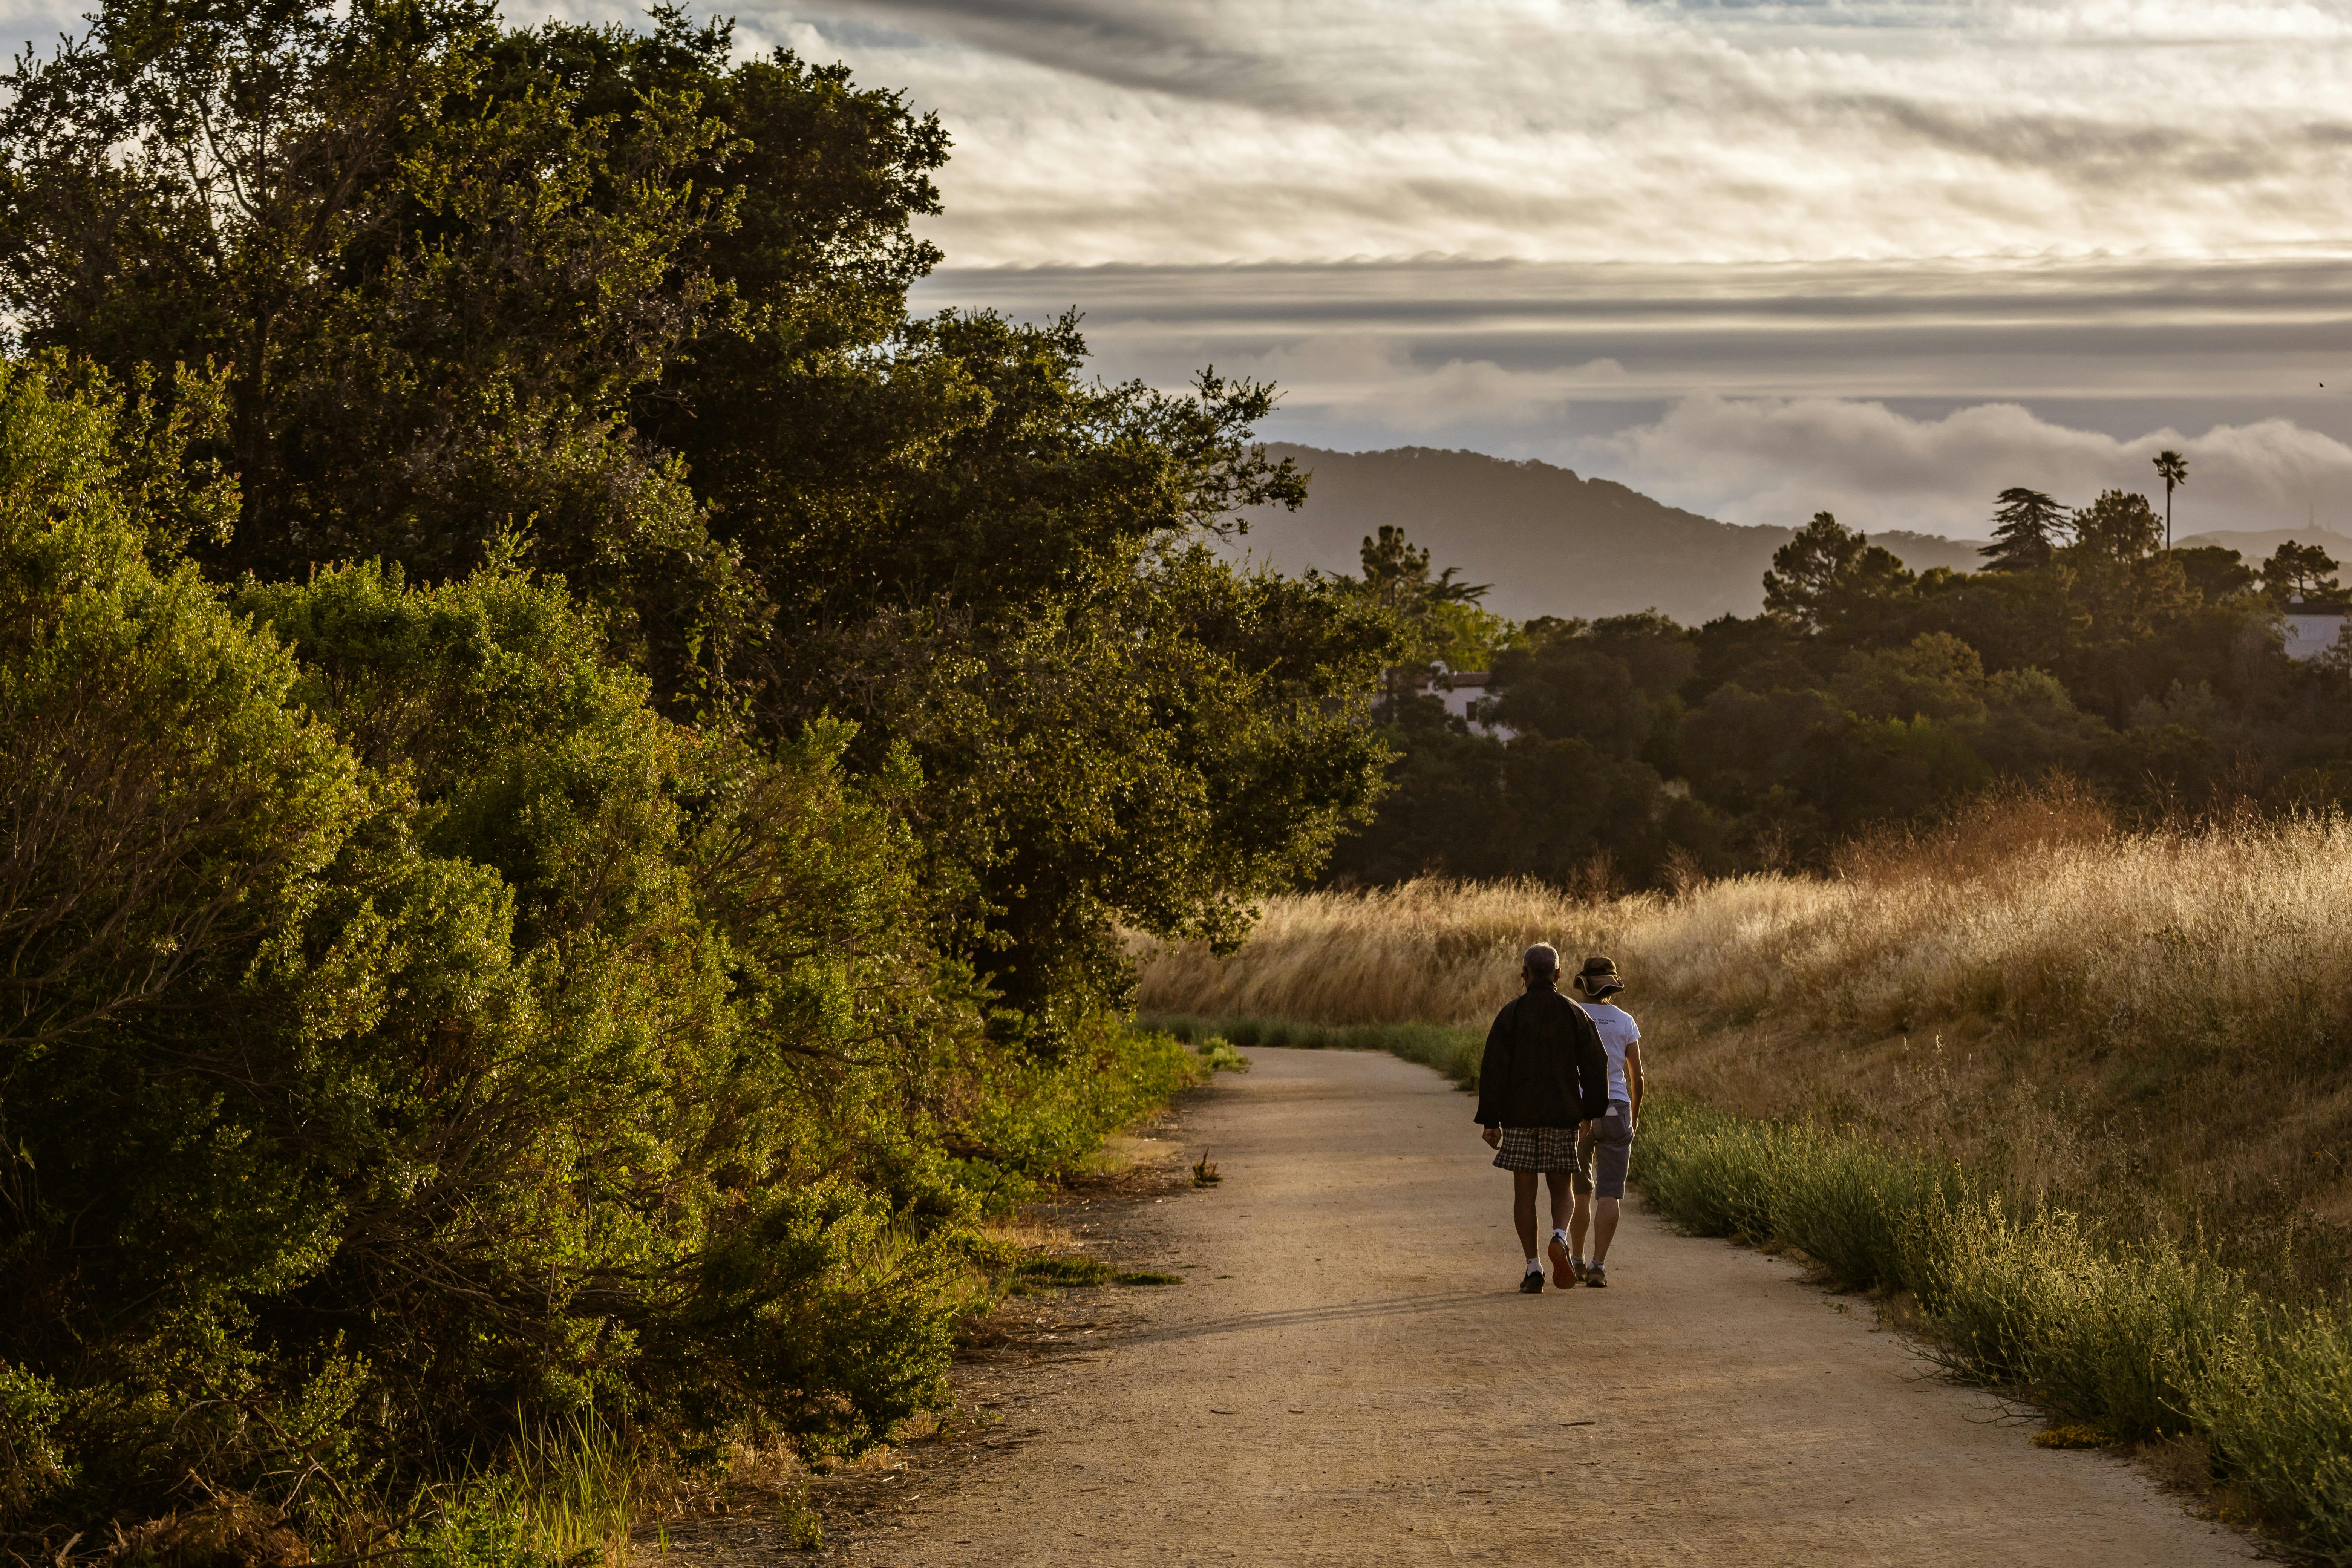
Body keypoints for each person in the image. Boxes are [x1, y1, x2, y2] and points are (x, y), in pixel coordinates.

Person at [1475, 943, 1613, 1292]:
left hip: (1519, 1118)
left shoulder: (1511, 1014)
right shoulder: (1574, 1014)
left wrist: (1492, 1119)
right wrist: (1591, 1112)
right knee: (1562, 1187)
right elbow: (1597, 1064)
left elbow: (1494, 1069)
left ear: (1524, 975)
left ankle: (1533, 1269)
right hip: (1562, 1116)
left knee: (1525, 1193)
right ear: (1559, 975)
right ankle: (1559, 1237)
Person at [1567, 955, 1644, 1289]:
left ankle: (1578, 1260)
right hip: (1617, 1109)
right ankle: (1599, 1266)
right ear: (1612, 987)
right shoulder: (1626, 1021)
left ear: (1584, 984)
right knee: (1609, 1193)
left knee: (1580, 1190)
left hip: (1580, 1110)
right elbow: (1637, 1076)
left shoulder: (1574, 1016)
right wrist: (1636, 1116)